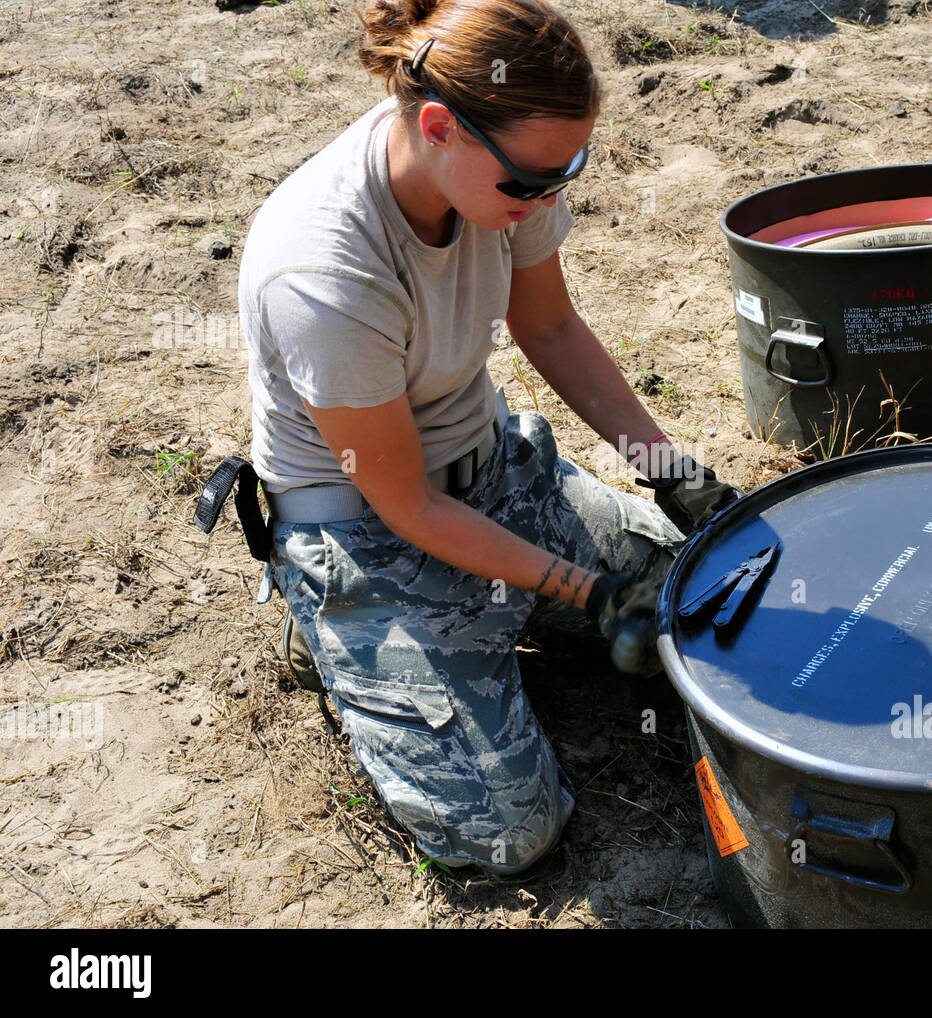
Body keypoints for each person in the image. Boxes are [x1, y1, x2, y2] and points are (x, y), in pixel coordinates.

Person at [237, 0, 741, 875]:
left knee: (709, 599)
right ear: (439, 127)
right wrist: (588, 592)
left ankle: (491, 626)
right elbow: (408, 505)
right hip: (369, 530)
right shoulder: (323, 268)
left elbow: (550, 330)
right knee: (508, 832)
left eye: (569, 171)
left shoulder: (506, 172)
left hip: (493, 471)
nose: (548, 197)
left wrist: (672, 471)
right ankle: (333, 631)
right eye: (535, 182)